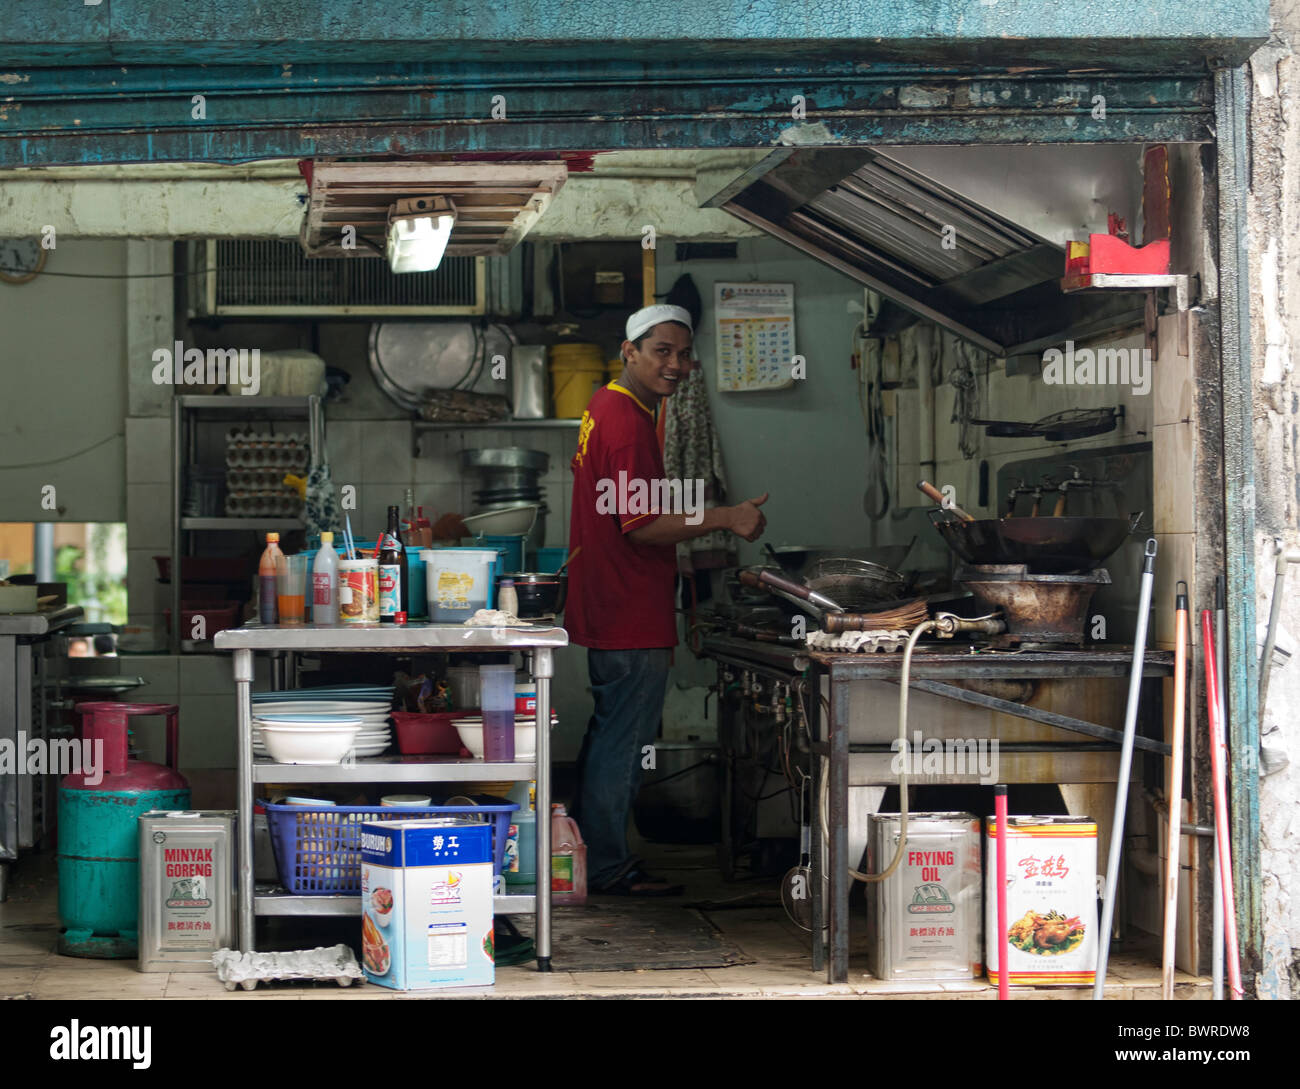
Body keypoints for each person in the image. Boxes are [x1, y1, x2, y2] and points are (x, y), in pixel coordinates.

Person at [565, 304, 769, 895]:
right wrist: (727, 517)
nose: (675, 364)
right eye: (661, 351)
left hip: (611, 601)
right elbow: (643, 523)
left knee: (610, 735)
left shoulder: (608, 405)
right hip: (628, 608)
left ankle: (586, 855)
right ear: (629, 351)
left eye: (683, 354)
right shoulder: (627, 421)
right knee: (623, 742)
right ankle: (605, 866)